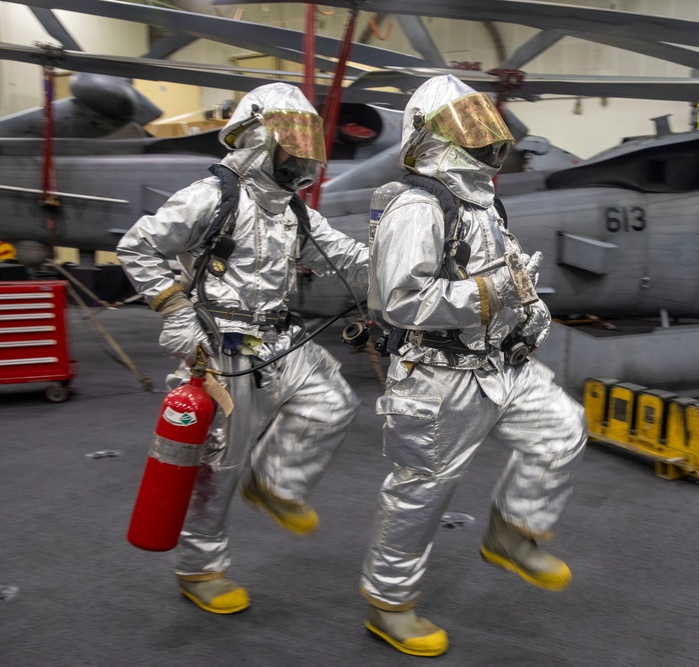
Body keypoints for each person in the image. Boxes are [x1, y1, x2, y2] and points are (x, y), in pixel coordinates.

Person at [117, 83, 368, 614]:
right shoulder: (213, 196)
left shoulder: (293, 211)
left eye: (308, 143)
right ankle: (200, 567)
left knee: (334, 403)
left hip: (279, 335)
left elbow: (343, 255)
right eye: (291, 142)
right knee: (220, 462)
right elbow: (138, 244)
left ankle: (276, 480)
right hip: (220, 345)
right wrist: (177, 315)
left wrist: (400, 263)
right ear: (259, 138)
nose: (302, 156)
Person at [359, 74, 588, 657]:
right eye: (468, 127)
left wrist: (527, 311)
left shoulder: (483, 203)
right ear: (431, 138)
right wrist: (492, 294)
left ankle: (512, 533)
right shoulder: (416, 206)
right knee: (419, 495)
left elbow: (506, 276)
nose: (485, 138)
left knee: (561, 429)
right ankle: (390, 605)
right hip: (437, 379)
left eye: (484, 123)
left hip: (499, 366)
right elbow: (400, 300)